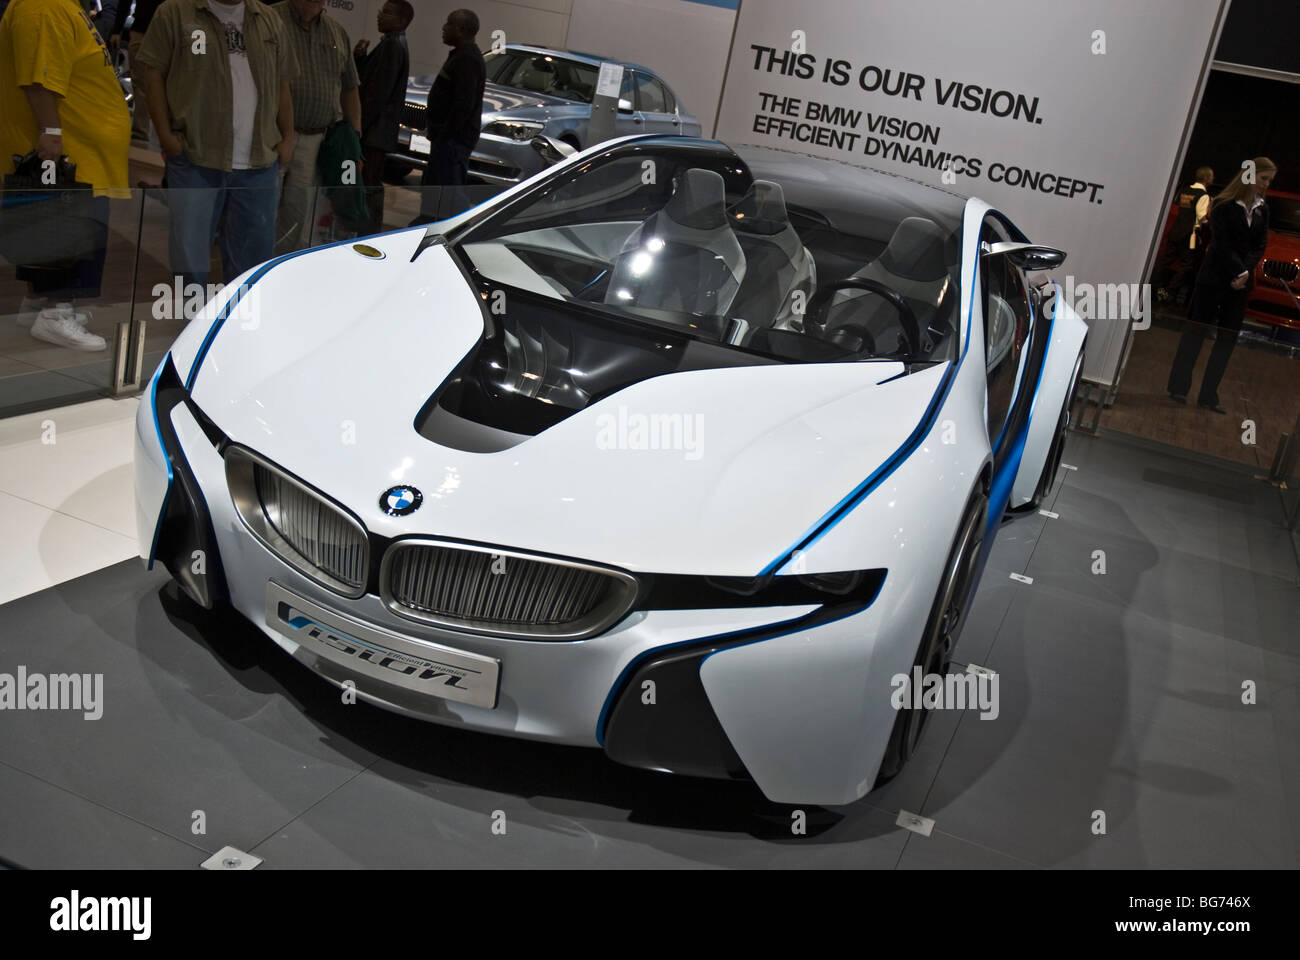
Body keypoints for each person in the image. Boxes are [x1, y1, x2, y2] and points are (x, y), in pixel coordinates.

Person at [136, 0, 298, 291]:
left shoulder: (268, 19)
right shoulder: (175, 13)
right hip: (196, 157)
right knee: (190, 255)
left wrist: (288, 137)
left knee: (252, 258)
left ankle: (237, 326)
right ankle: (191, 326)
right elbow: (152, 75)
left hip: (258, 161)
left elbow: (282, 83)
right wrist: (166, 137)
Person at [0, 0, 130, 350]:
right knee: (67, 228)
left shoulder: (59, 5)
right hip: (70, 149)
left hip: (80, 147)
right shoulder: (43, 5)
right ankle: (57, 312)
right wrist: (51, 131)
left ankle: (40, 303)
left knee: (51, 224)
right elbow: (38, 75)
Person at [1166, 157, 1276, 414]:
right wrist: (1239, 270)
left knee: (1226, 342)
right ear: (1250, 175)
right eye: (1264, 178)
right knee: (1195, 335)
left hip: (1240, 286)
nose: (1266, 185)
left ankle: (1208, 396)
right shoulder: (1223, 204)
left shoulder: (1263, 209)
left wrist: (1246, 272)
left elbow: (1260, 244)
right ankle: (1179, 388)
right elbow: (1221, 243)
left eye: (1270, 180)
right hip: (1213, 279)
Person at [272, 0, 360, 253]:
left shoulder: (337, 32)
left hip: (315, 141)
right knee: (261, 211)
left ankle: (279, 268)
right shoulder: (270, 20)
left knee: (299, 215)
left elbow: (350, 87)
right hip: (271, 136)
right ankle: (251, 270)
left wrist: (354, 138)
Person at [418, 8, 484, 218]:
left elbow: (463, 104)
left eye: (449, 24)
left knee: (449, 194)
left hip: (452, 142)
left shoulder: (467, 60)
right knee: (438, 190)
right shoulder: (462, 56)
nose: (444, 28)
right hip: (447, 139)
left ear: (462, 29)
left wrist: (444, 134)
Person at [354, 0, 411, 230]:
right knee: (370, 182)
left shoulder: (393, 46)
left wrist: (359, 126)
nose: (379, 16)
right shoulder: (392, 44)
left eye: (386, 13)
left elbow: (377, 94)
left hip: (375, 132)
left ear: (402, 20)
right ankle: (366, 228)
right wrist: (360, 58)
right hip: (377, 131)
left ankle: (367, 230)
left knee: (369, 182)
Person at [108, 0, 165, 144]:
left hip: (162, 31)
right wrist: (117, 29)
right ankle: (141, 131)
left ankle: (149, 131)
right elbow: (125, 2)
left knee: (153, 84)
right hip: (142, 29)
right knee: (141, 82)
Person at [1155, 165, 1213, 306]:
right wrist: (1210, 221)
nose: (1213, 178)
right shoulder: (1203, 196)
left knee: (1165, 261)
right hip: (1189, 235)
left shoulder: (1185, 191)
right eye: (1211, 176)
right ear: (1206, 178)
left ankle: (1152, 287)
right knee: (1187, 265)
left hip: (1175, 231)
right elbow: (1201, 216)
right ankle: (1170, 291)